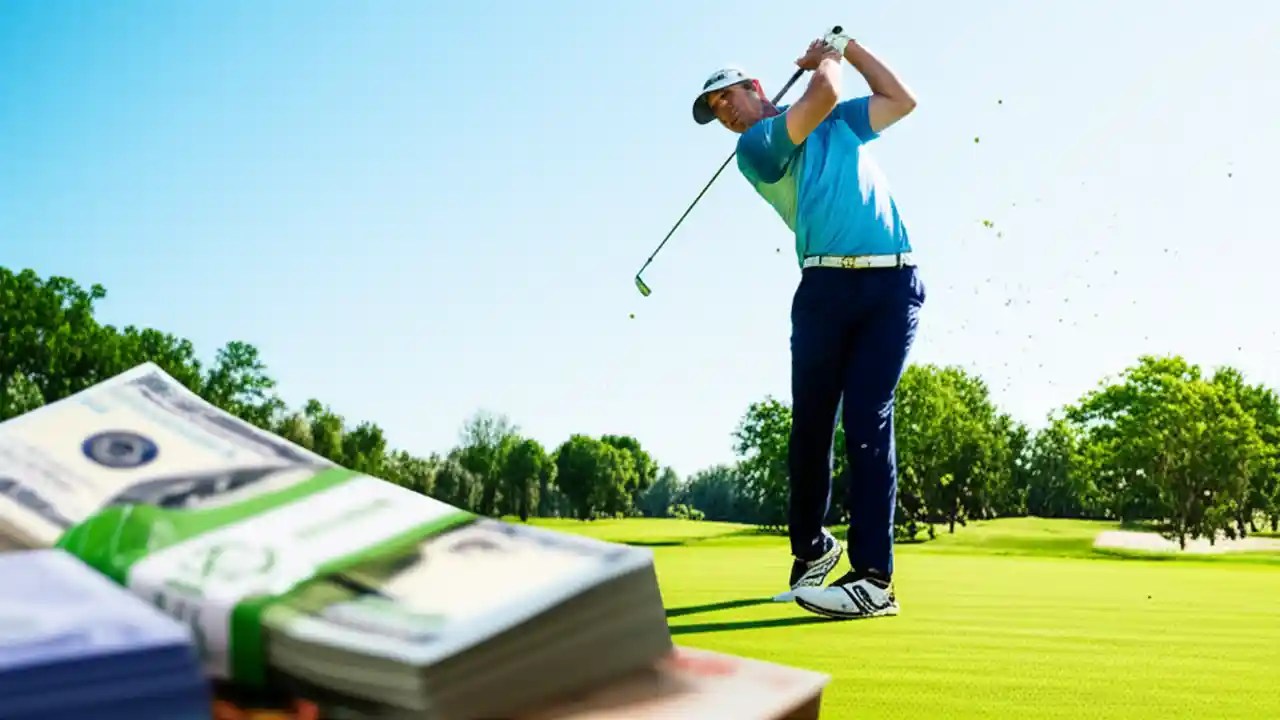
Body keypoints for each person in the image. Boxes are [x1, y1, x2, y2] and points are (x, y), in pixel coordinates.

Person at [690, 30, 924, 619]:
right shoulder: (756, 148)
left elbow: (901, 100)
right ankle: (813, 549)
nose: (724, 113)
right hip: (824, 287)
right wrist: (829, 59)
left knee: (867, 420)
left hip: (892, 284)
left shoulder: (840, 123)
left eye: (726, 97)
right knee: (811, 428)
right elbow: (820, 96)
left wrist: (853, 48)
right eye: (715, 110)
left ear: (754, 87)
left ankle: (873, 580)